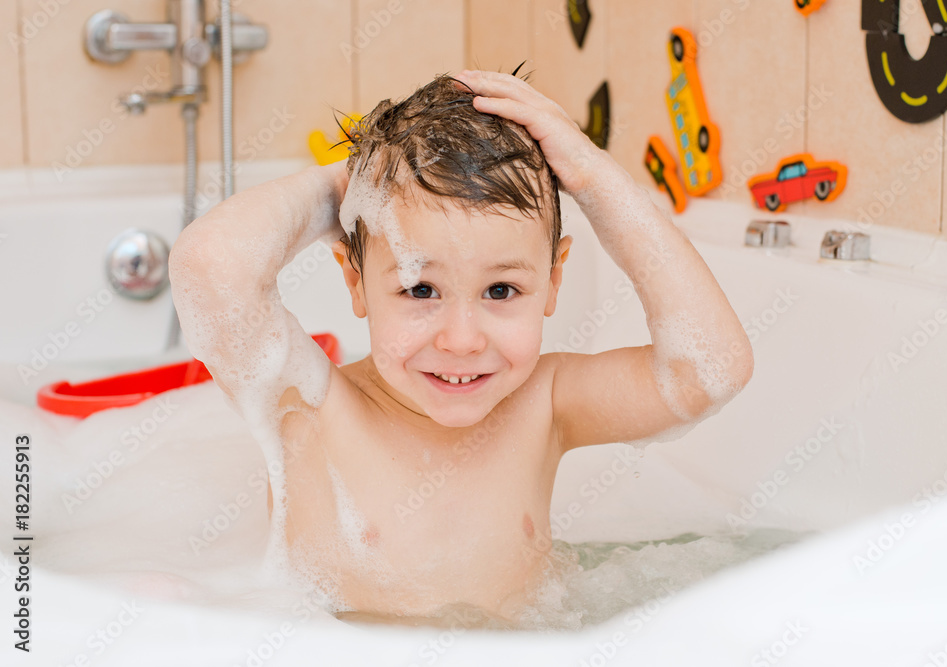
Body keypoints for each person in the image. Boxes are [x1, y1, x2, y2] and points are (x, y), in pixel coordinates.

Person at [167, 67, 753, 626]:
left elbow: (709, 370)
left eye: (501, 290)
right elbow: (210, 267)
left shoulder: (544, 404)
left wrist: (594, 177)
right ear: (355, 281)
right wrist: (343, 187)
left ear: (552, 281)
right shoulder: (314, 411)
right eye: (420, 288)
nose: (463, 340)